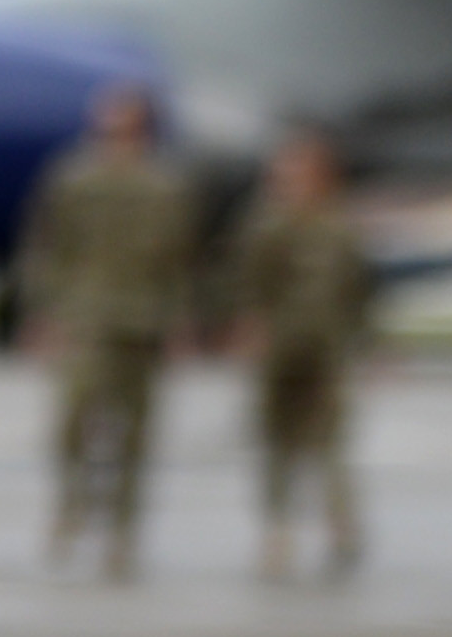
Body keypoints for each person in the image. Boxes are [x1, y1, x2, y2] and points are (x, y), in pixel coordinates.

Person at [20, 82, 196, 580]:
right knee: (74, 420)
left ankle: (123, 530)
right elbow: (47, 245)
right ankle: (73, 504)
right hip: (85, 316)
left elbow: (179, 260)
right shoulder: (74, 178)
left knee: (135, 433)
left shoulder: (165, 185)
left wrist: (180, 320)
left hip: (142, 319)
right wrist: (41, 313)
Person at [232, 127, 377, 581]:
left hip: (326, 350)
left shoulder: (342, 230)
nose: (288, 179)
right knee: (276, 444)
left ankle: (342, 528)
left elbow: (360, 292)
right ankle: (278, 532)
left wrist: (372, 343)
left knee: (329, 444)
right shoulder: (264, 227)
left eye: (298, 170)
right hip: (280, 350)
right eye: (283, 171)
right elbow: (248, 286)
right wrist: (249, 329)